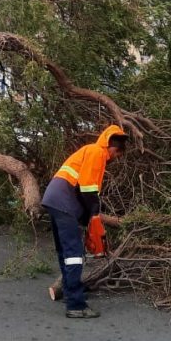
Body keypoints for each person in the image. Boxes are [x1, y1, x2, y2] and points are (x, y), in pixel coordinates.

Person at [41, 125, 129, 319]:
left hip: (54, 199)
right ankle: (75, 304)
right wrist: (95, 215)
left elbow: (81, 189)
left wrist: (86, 220)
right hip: (63, 201)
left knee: (65, 251)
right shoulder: (97, 153)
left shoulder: (89, 151)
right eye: (118, 155)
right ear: (114, 149)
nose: (116, 158)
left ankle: (68, 291)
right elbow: (88, 190)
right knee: (74, 255)